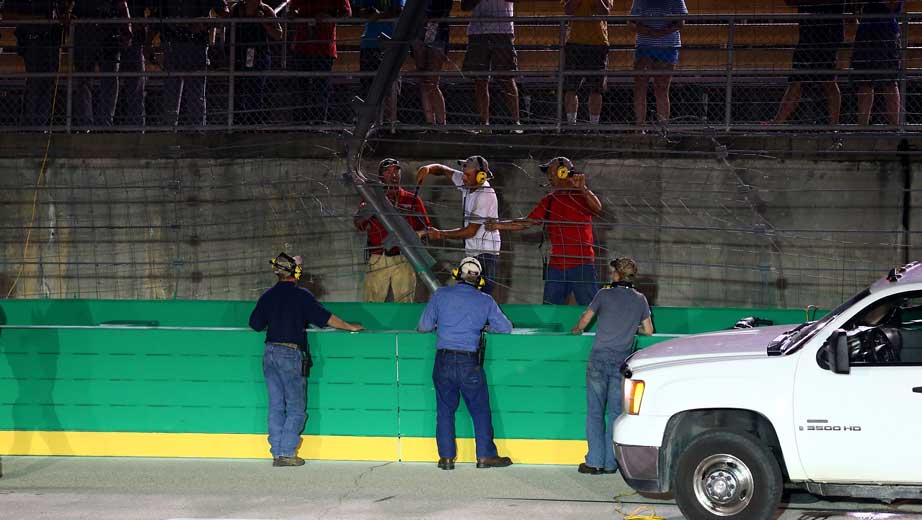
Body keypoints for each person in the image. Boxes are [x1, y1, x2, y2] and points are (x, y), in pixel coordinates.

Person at [249, 252, 364, 467]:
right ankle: (287, 453)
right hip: (290, 354)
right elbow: (326, 318)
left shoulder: (268, 295)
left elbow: (255, 324)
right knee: (295, 406)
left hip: (269, 353)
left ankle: (277, 452)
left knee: (275, 405)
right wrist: (349, 326)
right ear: (296, 273)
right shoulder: (301, 296)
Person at [417, 256, 514, 470]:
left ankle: (446, 458)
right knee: (479, 410)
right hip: (469, 361)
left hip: (442, 360)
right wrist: (486, 327)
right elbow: (506, 328)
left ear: (457, 273)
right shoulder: (485, 300)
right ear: (479, 279)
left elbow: (423, 326)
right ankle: (485, 456)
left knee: (444, 410)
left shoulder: (440, 295)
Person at [570, 257, 653, 475]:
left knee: (595, 412)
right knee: (616, 413)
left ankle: (594, 462)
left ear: (616, 275)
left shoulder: (603, 295)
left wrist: (576, 330)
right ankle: (610, 463)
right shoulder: (640, 299)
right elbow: (649, 330)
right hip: (621, 361)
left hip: (598, 359)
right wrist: (630, 328)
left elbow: (584, 320)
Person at [486, 157, 602, 305]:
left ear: (563, 173)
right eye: (549, 173)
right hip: (557, 265)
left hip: (583, 264)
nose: (549, 177)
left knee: (589, 307)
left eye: (553, 173)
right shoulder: (550, 200)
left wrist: (583, 188)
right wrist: (498, 225)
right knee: (550, 308)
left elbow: (597, 208)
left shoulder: (581, 195)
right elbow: (527, 222)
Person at [415, 156, 501, 296]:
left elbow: (470, 231)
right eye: (464, 174)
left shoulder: (485, 195)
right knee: (468, 294)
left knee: (482, 296)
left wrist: (440, 233)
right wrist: (428, 168)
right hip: (473, 253)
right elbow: (443, 169)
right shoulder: (467, 182)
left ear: (481, 176)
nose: (463, 178)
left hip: (485, 256)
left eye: (467, 175)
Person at [354, 158, 431, 302]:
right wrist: (370, 209)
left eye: (396, 171)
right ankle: (372, 325)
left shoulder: (412, 200)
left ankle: (404, 325)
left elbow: (427, 228)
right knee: (372, 302)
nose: (393, 175)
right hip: (378, 257)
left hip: (405, 257)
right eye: (388, 172)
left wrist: (418, 235)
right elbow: (358, 225)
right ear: (381, 176)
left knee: (405, 303)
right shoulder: (372, 199)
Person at [767, 0, 847, 126]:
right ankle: (778, 121)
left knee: (828, 81)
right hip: (808, 36)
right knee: (797, 80)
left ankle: (834, 126)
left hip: (827, 36)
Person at [153, 0, 230, 128]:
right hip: (173, 45)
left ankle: (196, 134)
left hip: (196, 45)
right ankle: (170, 134)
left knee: (195, 97)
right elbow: (158, 14)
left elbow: (225, 14)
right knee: (171, 96)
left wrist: (205, 22)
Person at [69, 0, 131, 128]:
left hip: (107, 33)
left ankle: (103, 122)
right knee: (85, 78)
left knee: (108, 79)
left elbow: (122, 5)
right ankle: (87, 122)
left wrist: (126, 30)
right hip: (89, 30)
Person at [287, 0, 351, 124]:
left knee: (320, 87)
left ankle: (318, 123)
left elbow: (347, 13)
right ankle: (299, 123)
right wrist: (292, 14)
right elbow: (291, 8)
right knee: (300, 87)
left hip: (323, 47)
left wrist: (330, 18)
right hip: (302, 46)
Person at [461, 0, 520, 131]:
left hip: (502, 30)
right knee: (480, 80)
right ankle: (484, 124)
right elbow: (465, 6)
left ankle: (515, 122)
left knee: (507, 77)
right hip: (478, 31)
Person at [4, 0, 64, 127]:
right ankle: (31, 123)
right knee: (35, 81)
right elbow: (11, 8)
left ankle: (40, 123)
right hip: (33, 38)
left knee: (48, 81)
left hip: (51, 38)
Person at [629, 0, 687, 127]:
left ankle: (662, 128)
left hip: (668, 47)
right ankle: (640, 127)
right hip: (645, 47)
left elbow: (681, 21)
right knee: (640, 87)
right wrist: (649, 32)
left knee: (662, 88)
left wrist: (662, 32)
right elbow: (632, 22)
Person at [229, 0, 283, 126]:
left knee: (256, 90)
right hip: (240, 53)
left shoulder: (266, 10)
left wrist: (264, 22)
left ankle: (255, 121)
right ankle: (238, 122)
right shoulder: (237, 8)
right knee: (238, 90)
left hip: (259, 55)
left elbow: (278, 34)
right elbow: (228, 28)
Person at [852, 0, 903, 126]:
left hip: (886, 34)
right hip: (866, 33)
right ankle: (862, 126)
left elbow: (893, 5)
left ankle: (894, 127)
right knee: (865, 81)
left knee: (890, 81)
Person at [355, 0, 404, 129]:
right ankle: (369, 121)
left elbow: (399, 10)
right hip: (370, 42)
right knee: (368, 85)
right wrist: (373, 14)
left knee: (390, 85)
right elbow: (357, 11)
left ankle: (388, 121)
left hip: (391, 42)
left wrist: (378, 16)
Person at [563, 0, 612, 126]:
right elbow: (568, 10)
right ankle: (571, 125)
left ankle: (594, 126)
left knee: (596, 89)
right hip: (575, 41)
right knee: (570, 87)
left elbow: (605, 12)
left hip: (598, 43)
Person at [412, 0, 453, 126]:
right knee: (423, 80)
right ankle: (430, 122)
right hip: (420, 32)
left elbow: (444, 10)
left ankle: (441, 123)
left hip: (437, 31)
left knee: (432, 82)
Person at [119, 0, 151, 127]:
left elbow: (156, 10)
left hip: (135, 41)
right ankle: (105, 124)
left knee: (135, 87)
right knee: (110, 82)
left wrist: (140, 24)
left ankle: (136, 126)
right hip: (113, 39)